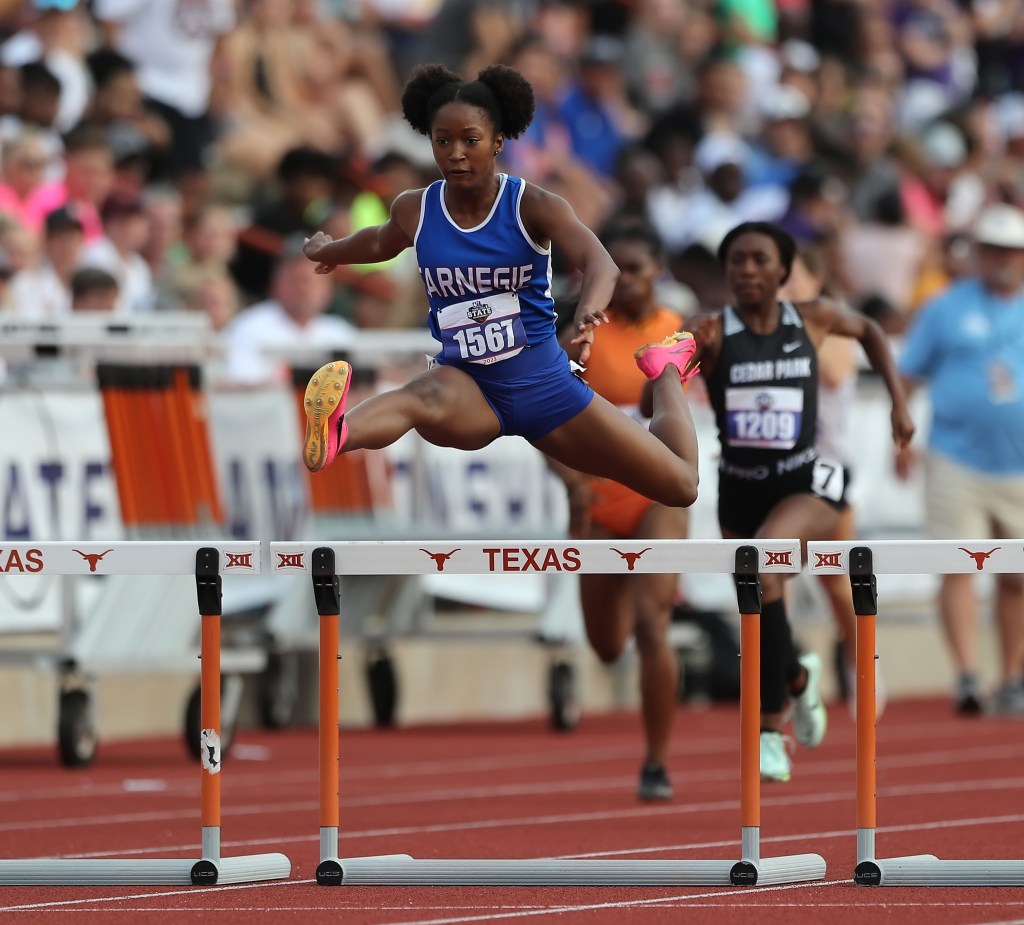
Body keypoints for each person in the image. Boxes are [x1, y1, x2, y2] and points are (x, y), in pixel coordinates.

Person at [300, 64, 701, 670]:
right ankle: (337, 432)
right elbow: (380, 242)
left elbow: (603, 267)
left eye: (470, 141)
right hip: (470, 384)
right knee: (419, 396)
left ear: (498, 141)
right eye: (442, 141)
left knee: (681, 485)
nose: (455, 154)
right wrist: (332, 252)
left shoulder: (532, 203)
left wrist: (589, 316)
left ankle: (667, 370)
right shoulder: (417, 208)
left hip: (546, 388)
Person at [688, 221, 914, 782]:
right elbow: (653, 387)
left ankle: (769, 730)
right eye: (736, 261)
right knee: (763, 597)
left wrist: (897, 402)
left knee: (764, 566)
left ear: (783, 270)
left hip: (805, 483)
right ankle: (798, 678)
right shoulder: (711, 331)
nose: (746, 270)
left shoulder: (810, 319)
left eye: (759, 260)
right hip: (738, 489)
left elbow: (870, 332)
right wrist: (668, 368)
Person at [549, 221, 688, 801]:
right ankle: (631, 606)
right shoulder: (577, 335)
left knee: (654, 627)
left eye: (637, 268)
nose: (625, 280)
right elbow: (544, 424)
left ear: (658, 270)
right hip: (599, 499)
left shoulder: (676, 330)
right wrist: (574, 485)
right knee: (607, 645)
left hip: (655, 497)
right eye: (614, 269)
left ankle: (656, 762)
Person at [897, 203, 1024, 716]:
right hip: (955, 458)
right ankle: (969, 675)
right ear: (977, 252)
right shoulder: (945, 307)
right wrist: (900, 436)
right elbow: (906, 373)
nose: (1001, 258)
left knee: (1017, 575)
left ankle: (1013, 676)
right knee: (956, 568)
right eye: (992, 248)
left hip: (1019, 464)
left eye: (1010, 250)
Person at [780, 241, 886, 718]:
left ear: (815, 281)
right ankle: (786, 672)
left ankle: (861, 654)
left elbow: (838, 372)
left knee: (834, 579)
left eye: (791, 279)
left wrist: (787, 330)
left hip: (829, 468)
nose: (782, 288)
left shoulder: (833, 324)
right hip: (775, 470)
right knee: (769, 574)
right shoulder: (756, 326)